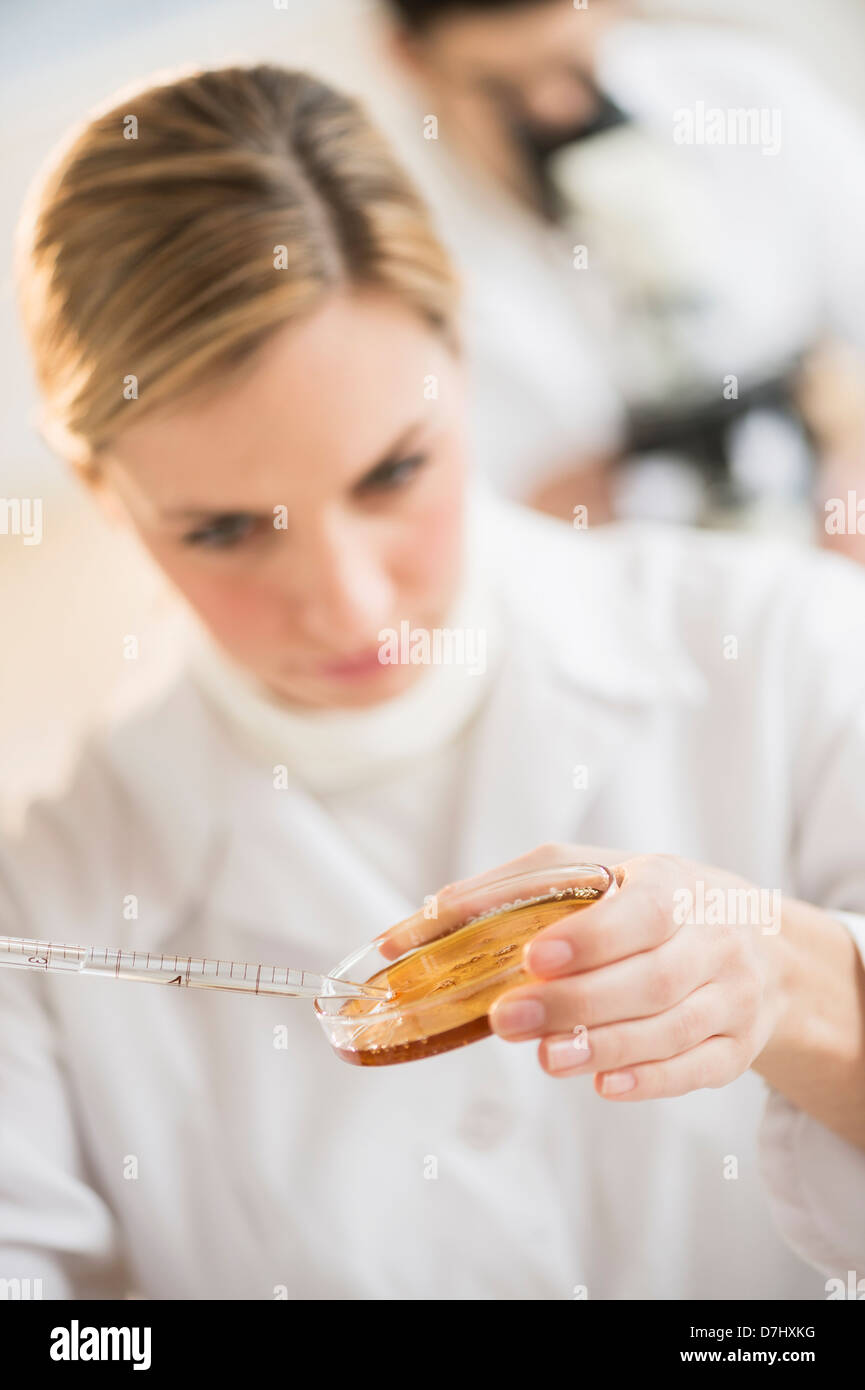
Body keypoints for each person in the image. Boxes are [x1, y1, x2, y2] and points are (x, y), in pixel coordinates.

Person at [2, 62, 865, 1301]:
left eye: (393, 474)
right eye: (225, 531)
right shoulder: (43, 907)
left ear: (460, 358)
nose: (348, 604)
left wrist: (799, 986)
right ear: (103, 494)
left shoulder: (787, 652)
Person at [381, 0, 865, 535]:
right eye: (500, 88)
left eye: (571, 65)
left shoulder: (751, 95)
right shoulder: (382, 233)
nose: (551, 107)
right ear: (409, 58)